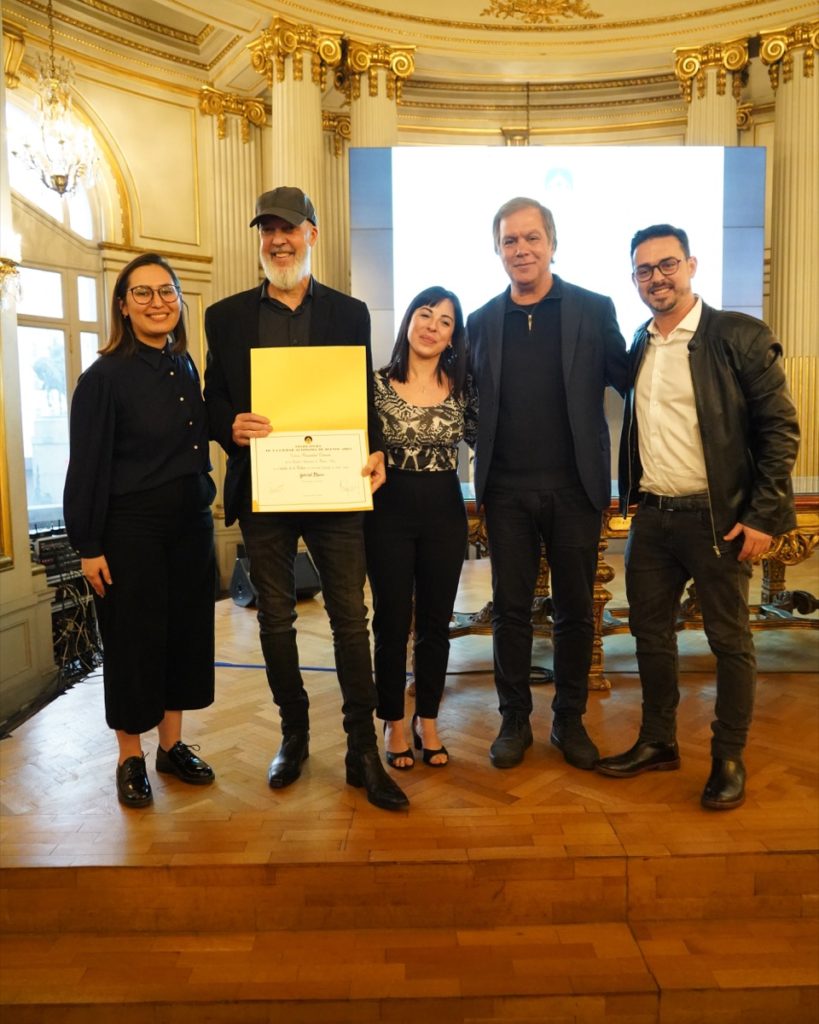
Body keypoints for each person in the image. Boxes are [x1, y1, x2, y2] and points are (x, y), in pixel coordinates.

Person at [203, 185, 408, 811]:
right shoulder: (225, 316)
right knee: (275, 619)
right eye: (267, 230)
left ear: (311, 234)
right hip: (264, 488)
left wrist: (376, 450)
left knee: (350, 619)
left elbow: (361, 397)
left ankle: (361, 750)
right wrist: (229, 424)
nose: (277, 240)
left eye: (288, 229)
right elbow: (214, 398)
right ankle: (294, 735)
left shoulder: (349, 313)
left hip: (334, 487)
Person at [595, 224, 799, 810]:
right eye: (644, 270)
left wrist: (762, 515)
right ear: (634, 278)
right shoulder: (640, 343)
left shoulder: (738, 336)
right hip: (653, 518)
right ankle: (658, 741)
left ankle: (728, 757)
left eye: (667, 264)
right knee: (650, 635)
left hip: (719, 520)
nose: (656, 278)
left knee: (728, 641)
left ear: (691, 265)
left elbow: (780, 431)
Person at [466, 197, 627, 771]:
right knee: (510, 611)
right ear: (498, 250)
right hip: (506, 492)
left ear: (553, 243)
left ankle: (569, 718)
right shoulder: (480, 320)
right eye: (510, 240)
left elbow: (635, 382)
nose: (522, 249)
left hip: (576, 489)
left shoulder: (594, 309)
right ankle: (513, 720)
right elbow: (462, 399)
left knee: (576, 612)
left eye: (532, 238)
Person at [63, 254, 217, 809]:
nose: (158, 302)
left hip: (190, 526)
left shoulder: (184, 364)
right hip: (130, 532)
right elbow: (86, 467)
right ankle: (129, 756)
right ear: (123, 307)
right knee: (133, 644)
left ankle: (170, 748)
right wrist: (88, 545)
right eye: (143, 293)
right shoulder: (102, 378)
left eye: (167, 291)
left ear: (179, 300)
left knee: (183, 637)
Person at [365, 286, 478, 770]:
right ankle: (393, 720)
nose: (433, 326)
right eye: (426, 314)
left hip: (443, 512)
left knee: (435, 623)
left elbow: (490, 440)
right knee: (391, 622)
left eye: (445, 321)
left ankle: (427, 720)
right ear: (409, 320)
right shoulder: (373, 384)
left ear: (453, 336)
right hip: (387, 512)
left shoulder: (464, 388)